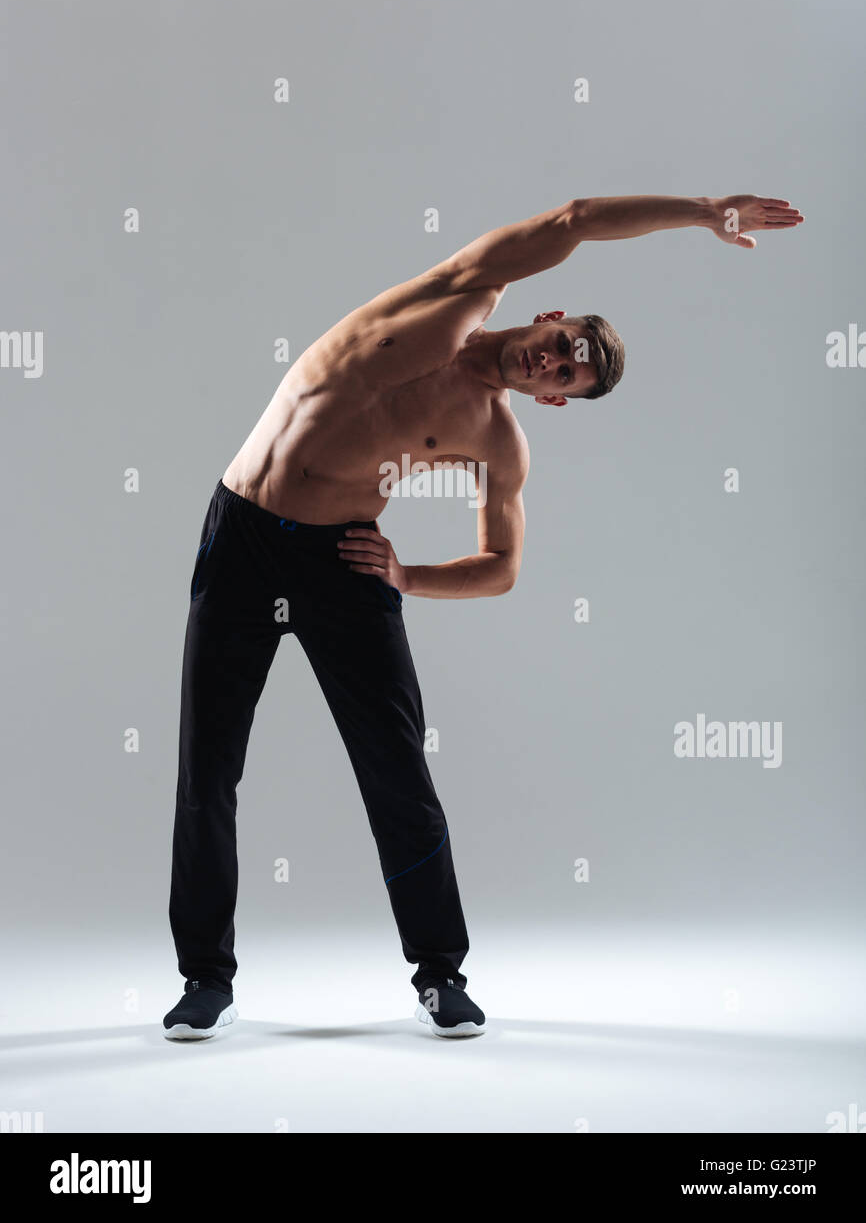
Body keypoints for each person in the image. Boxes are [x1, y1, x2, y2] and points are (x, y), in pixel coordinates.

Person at [163, 192, 803, 1040]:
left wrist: (407, 574)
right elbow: (573, 219)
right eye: (564, 342)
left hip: (342, 560)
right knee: (208, 765)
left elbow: (502, 566)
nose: (555, 360)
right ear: (545, 314)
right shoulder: (456, 294)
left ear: (558, 400)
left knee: (397, 771)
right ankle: (205, 978)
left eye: (569, 373)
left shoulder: (498, 439)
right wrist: (700, 212)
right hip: (241, 530)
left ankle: (439, 974)